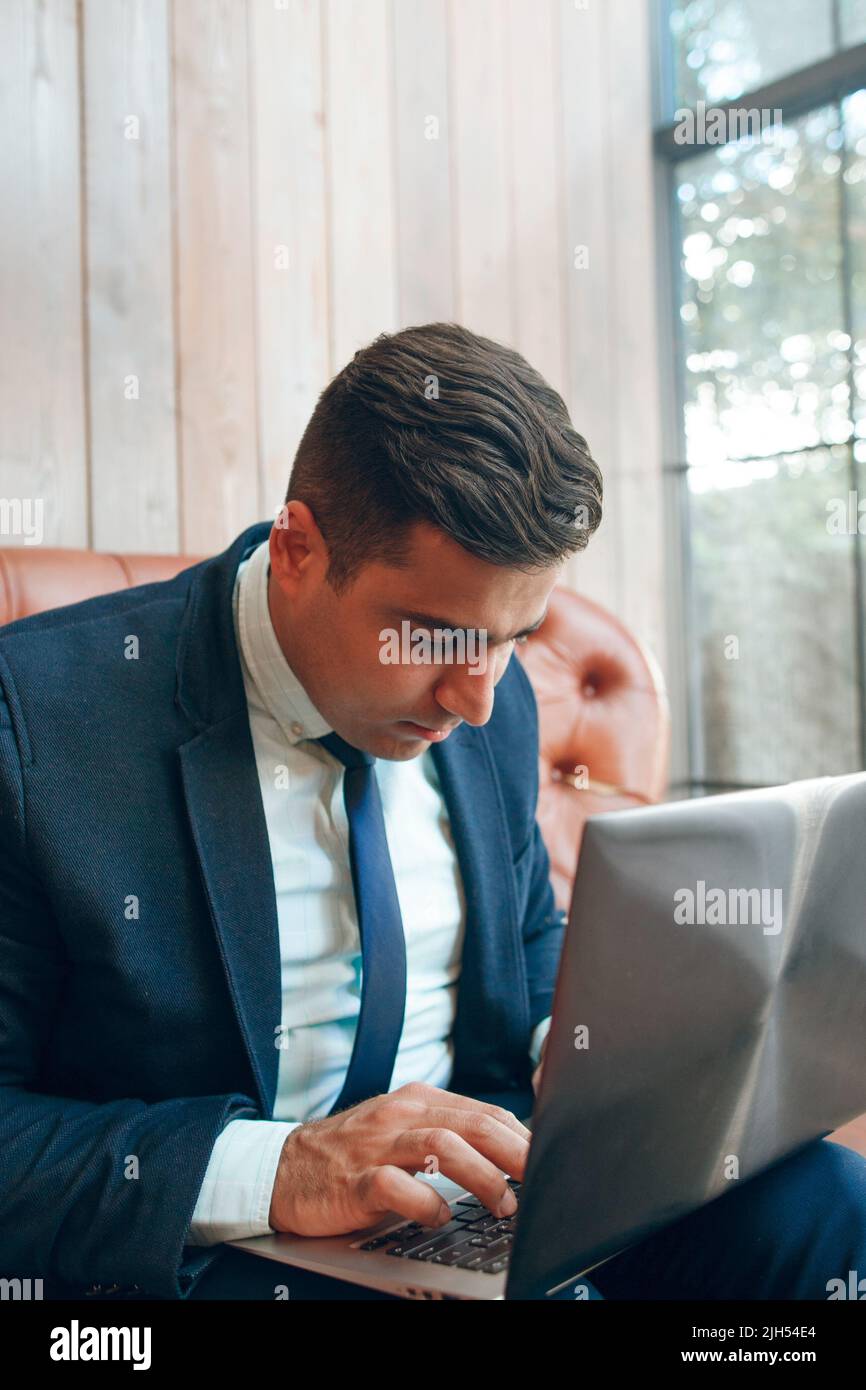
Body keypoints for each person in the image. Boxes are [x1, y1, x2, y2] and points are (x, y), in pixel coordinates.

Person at [1, 322, 864, 1302]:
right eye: (433, 636)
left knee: (830, 1204)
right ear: (296, 550)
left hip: (484, 1197)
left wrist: (597, 1066)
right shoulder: (38, 723)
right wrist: (282, 1168)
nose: (479, 697)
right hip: (219, 1248)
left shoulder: (486, 692)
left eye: (514, 634)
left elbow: (530, 940)